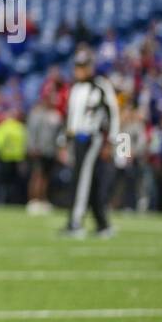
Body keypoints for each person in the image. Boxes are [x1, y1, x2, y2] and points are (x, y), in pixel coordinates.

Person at [62, 47, 120, 237]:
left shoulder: (101, 85)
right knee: (92, 181)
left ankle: (75, 222)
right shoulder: (76, 88)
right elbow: (71, 118)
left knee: (81, 180)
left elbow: (113, 114)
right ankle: (103, 224)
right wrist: (64, 141)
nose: (79, 70)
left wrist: (111, 141)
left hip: (92, 138)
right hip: (77, 139)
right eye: (77, 66)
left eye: (82, 66)